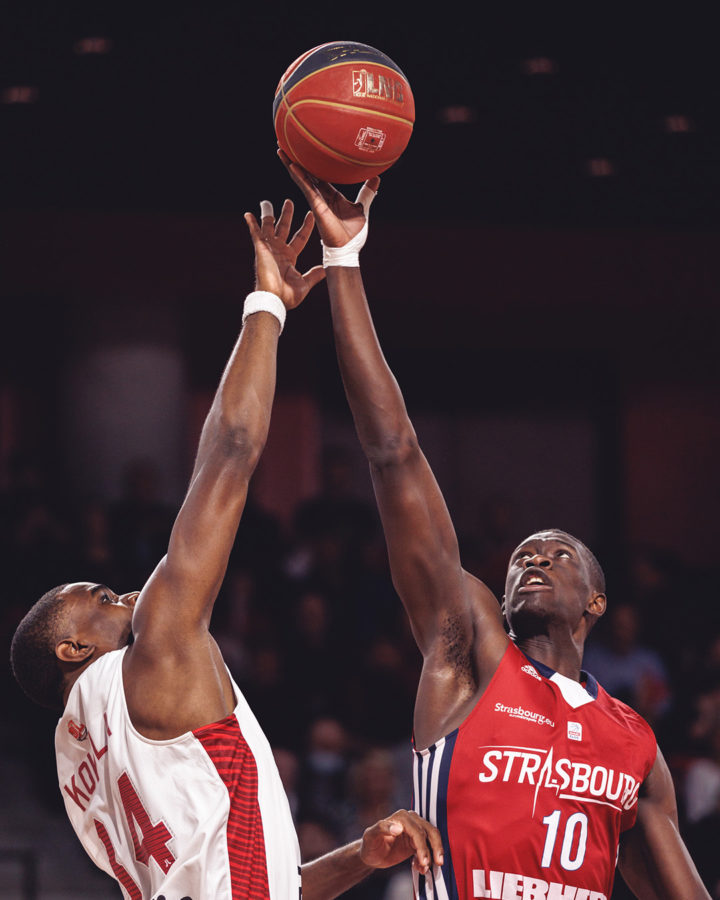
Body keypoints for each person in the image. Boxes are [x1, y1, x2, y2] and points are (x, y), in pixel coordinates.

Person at [279, 152, 711, 900]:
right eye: (521, 557)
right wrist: (343, 258)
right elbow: (394, 455)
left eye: (557, 555)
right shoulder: (469, 653)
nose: (532, 560)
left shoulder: (635, 742)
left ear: (597, 603)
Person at [9, 197, 443, 900]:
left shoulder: (78, 763)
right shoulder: (155, 650)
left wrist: (361, 855)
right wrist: (266, 306)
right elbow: (231, 453)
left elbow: (256, 883)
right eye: (100, 598)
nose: (123, 595)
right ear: (70, 648)